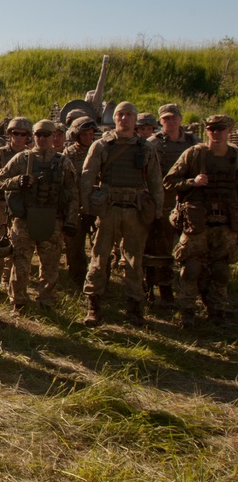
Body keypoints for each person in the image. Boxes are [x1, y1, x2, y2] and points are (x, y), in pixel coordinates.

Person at [80, 101, 163, 327]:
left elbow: (156, 182)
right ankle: (94, 305)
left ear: (135, 119)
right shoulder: (101, 146)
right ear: (114, 118)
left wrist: (157, 212)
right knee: (99, 257)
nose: (124, 118)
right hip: (108, 209)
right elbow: (88, 176)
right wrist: (87, 208)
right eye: (120, 114)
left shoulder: (146, 148)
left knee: (134, 261)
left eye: (129, 115)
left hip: (135, 211)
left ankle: (134, 307)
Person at [162, 114, 238, 328]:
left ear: (229, 130)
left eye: (221, 129)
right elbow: (169, 181)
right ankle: (187, 312)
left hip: (225, 224)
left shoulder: (235, 157)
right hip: (196, 222)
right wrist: (191, 182)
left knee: (222, 270)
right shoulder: (194, 154)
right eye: (212, 129)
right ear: (207, 131)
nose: (217, 133)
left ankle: (217, 312)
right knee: (191, 268)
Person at [0, 120, 78, 314]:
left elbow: (72, 192)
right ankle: (19, 302)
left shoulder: (63, 162)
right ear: (33, 137)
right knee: (21, 262)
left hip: (52, 219)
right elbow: (0, 181)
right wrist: (18, 181)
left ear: (54, 137)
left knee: (50, 263)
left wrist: (71, 220)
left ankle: (47, 301)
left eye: (46, 135)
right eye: (38, 135)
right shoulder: (21, 159)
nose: (41, 139)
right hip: (24, 220)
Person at [144, 103, 198, 305]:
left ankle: (190, 290)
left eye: (174, 117)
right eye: (166, 118)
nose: (171, 121)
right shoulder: (153, 144)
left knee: (191, 249)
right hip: (164, 203)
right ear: (161, 121)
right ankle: (161, 287)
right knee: (160, 249)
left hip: (190, 203)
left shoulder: (193, 143)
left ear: (180, 118)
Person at [0, 117, 33, 295]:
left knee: (18, 246)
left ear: (28, 136)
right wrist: (1, 177)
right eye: (15, 133)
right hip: (0, 204)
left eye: (23, 134)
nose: (18, 138)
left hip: (22, 207)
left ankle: (9, 281)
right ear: (9, 134)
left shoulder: (31, 157)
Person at [64, 116, 99, 288]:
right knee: (74, 245)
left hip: (97, 205)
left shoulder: (100, 150)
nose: (88, 138)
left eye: (91, 134)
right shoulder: (69, 153)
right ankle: (76, 278)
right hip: (75, 206)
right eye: (84, 134)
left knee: (99, 245)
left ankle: (99, 279)